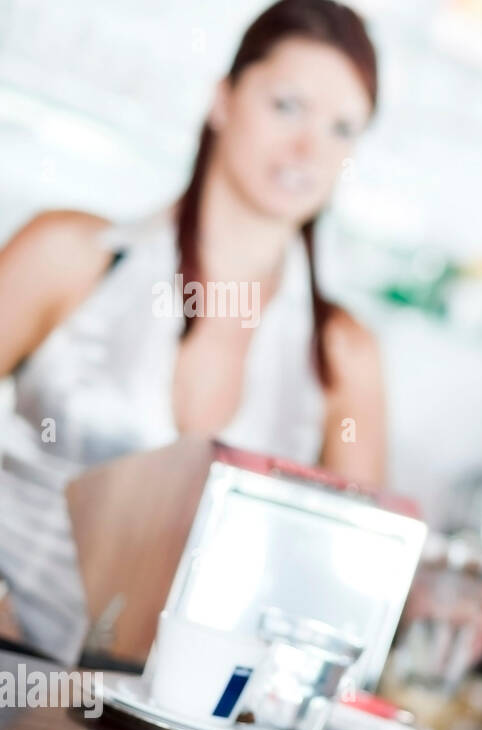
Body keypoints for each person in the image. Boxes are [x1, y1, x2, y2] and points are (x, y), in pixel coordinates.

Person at [0, 0, 385, 664]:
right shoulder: (71, 255)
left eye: (341, 128)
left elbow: (353, 587)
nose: (307, 149)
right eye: (287, 106)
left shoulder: (343, 355)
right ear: (222, 100)